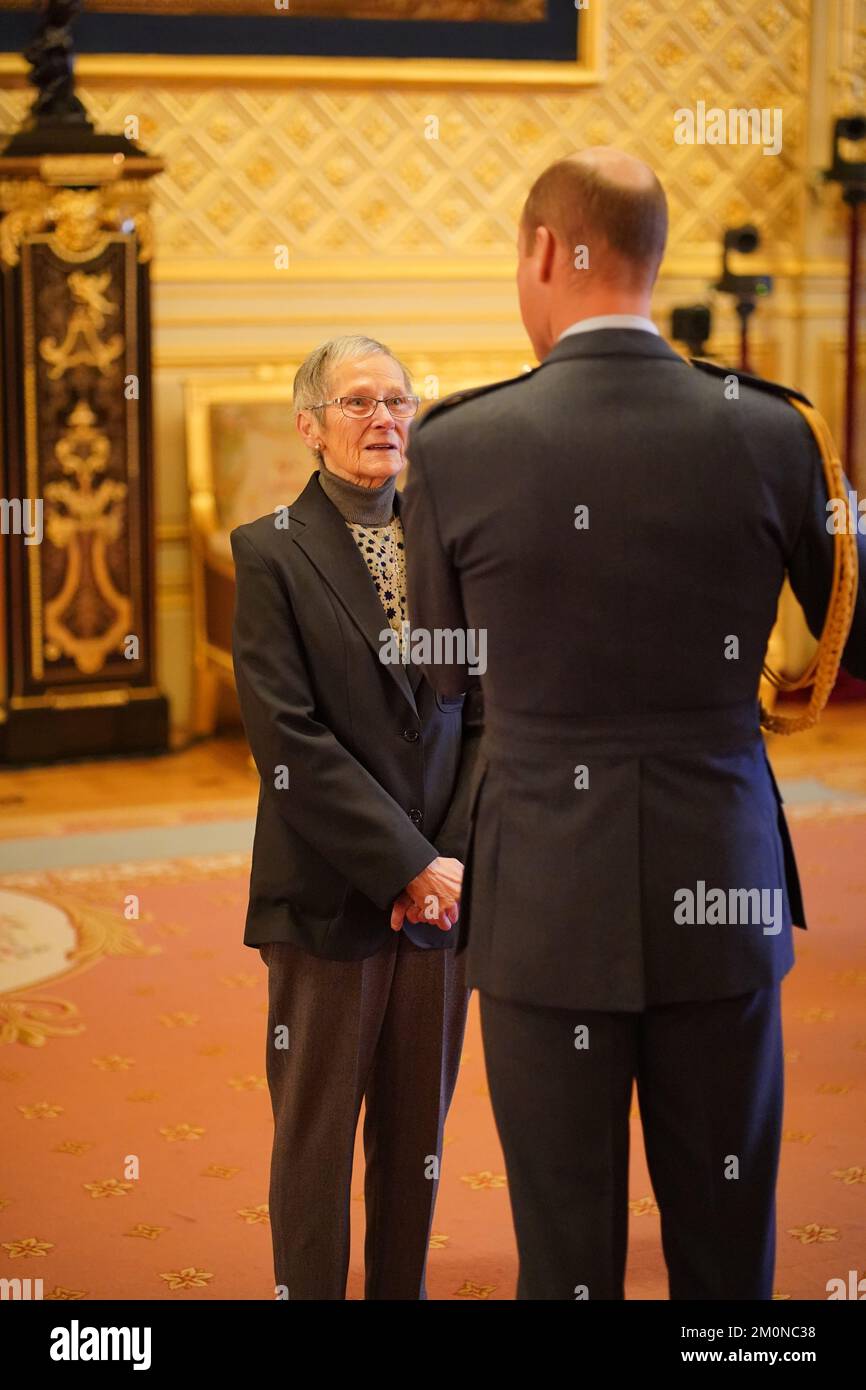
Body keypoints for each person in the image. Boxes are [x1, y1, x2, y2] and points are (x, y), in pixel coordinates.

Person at [401, 148, 866, 1300]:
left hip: (544, 903)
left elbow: (441, 679)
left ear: (548, 252)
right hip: (724, 880)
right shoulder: (774, 430)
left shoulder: (457, 446)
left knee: (563, 1246)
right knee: (725, 1240)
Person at [230, 335, 481, 1299]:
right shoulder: (269, 553)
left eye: (400, 401)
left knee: (416, 1141)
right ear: (309, 427)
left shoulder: (453, 540)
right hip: (330, 898)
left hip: (443, 904)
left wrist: (446, 865)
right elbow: (289, 742)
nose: (385, 419)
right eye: (359, 403)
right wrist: (405, 864)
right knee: (317, 1141)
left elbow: (485, 714)